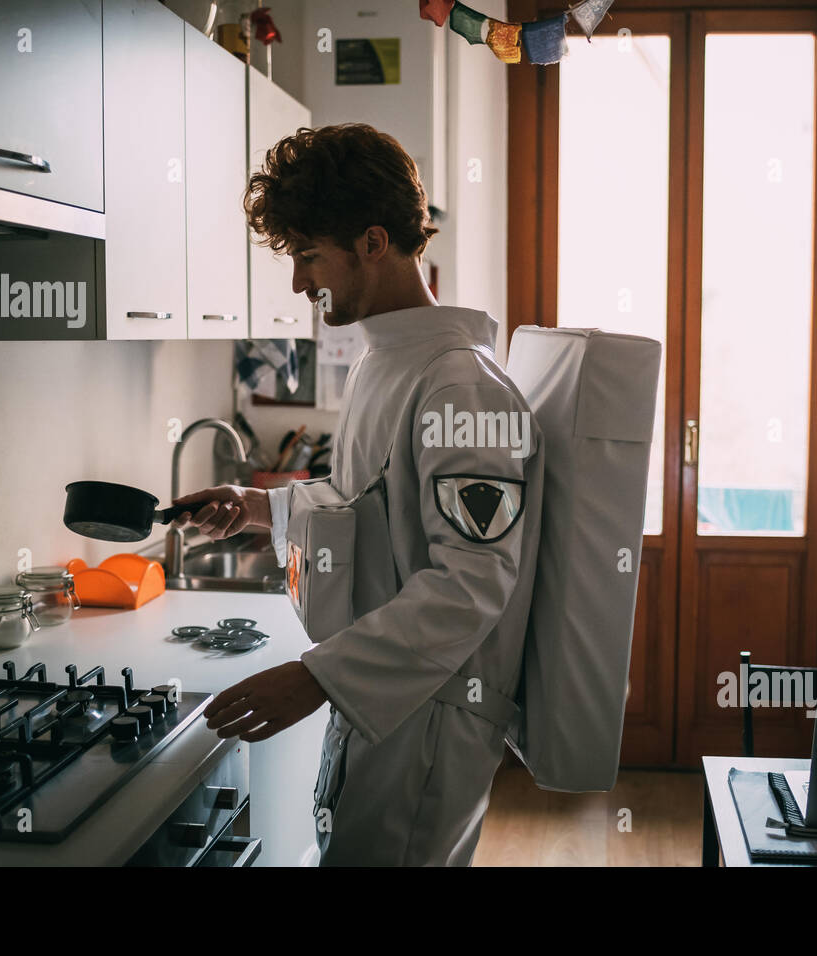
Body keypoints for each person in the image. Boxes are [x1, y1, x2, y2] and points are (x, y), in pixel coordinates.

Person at [171, 123, 543, 866]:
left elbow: (473, 582)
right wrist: (260, 507)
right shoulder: (384, 361)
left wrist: (317, 677)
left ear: (374, 242)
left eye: (309, 256)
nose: (299, 284)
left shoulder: (459, 384)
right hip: (381, 700)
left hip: (428, 720)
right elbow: (363, 503)